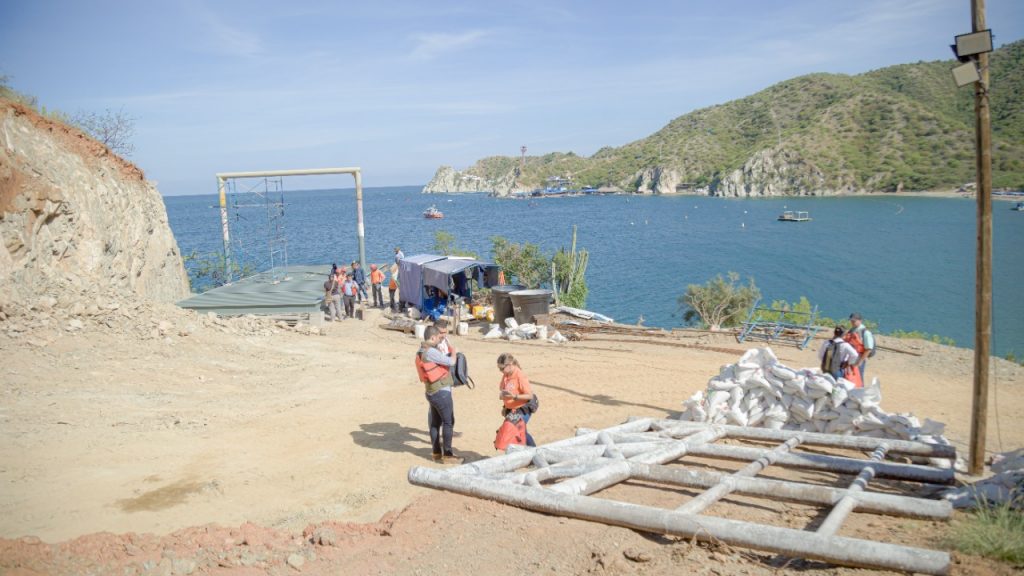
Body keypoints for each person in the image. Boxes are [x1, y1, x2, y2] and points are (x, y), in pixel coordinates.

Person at [414, 326, 460, 463]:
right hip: (441, 392)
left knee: (435, 423)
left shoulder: (421, 350)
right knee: (448, 422)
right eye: (439, 338)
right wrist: (454, 351)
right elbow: (452, 361)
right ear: (433, 337)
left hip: (431, 391)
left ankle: (436, 453)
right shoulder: (431, 352)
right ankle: (448, 455)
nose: (440, 340)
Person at [497, 353, 536, 447]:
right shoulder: (506, 374)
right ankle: (532, 450)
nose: (500, 371)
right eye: (499, 368)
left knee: (516, 430)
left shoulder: (520, 376)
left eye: (502, 368)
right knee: (519, 432)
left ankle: (534, 450)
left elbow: (529, 396)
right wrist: (505, 406)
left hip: (522, 409)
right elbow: (504, 390)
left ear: (510, 365)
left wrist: (514, 396)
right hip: (512, 410)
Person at [847, 312, 876, 383]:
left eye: (854, 321)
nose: (852, 322)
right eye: (851, 321)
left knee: (859, 378)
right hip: (851, 359)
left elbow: (868, 349)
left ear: (860, 320)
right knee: (851, 378)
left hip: (859, 359)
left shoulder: (866, 333)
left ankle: (861, 389)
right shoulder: (852, 330)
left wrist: (860, 362)